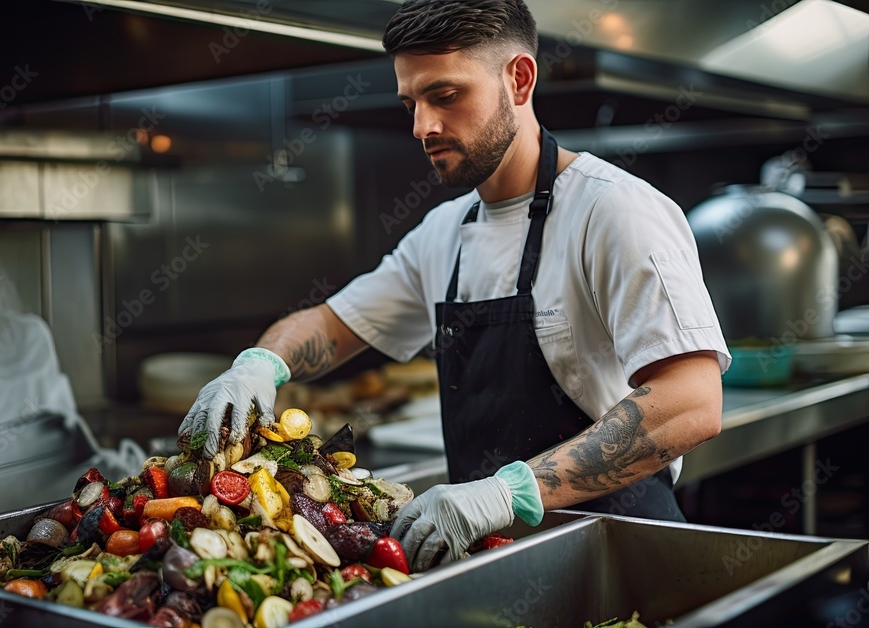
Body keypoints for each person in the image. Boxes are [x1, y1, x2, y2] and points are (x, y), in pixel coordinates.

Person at [179, 0, 731, 573]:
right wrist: (258, 366)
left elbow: (690, 403)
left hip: (614, 553)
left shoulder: (613, 210)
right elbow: (330, 325)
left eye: (445, 96)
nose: (422, 127)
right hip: (487, 560)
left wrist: (505, 493)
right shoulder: (444, 231)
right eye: (411, 103)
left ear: (518, 79)